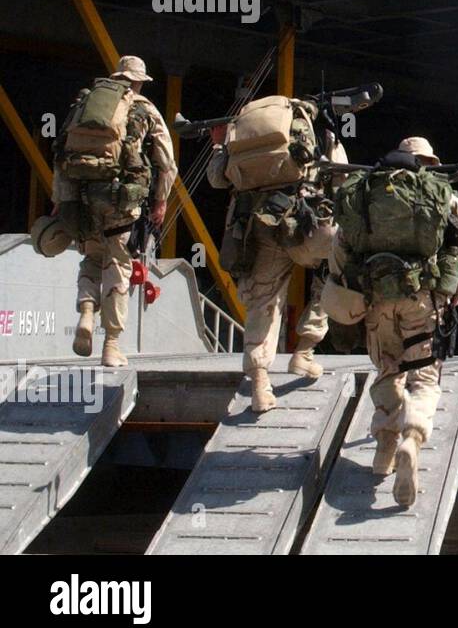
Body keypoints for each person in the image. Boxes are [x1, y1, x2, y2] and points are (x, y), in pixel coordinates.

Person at [330, 136, 458, 507]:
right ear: (427, 162)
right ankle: (412, 439)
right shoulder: (444, 197)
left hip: (376, 302)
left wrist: (346, 291)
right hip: (424, 301)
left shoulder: (365, 194)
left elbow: (339, 249)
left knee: (387, 370)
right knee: (424, 378)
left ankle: (383, 452)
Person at [207, 98, 344, 413]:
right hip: (307, 225)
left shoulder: (242, 134)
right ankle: (305, 351)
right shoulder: (318, 131)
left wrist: (218, 145)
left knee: (264, 301)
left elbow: (217, 179)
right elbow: (341, 179)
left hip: (261, 223)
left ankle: (259, 384)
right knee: (336, 269)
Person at [51, 56, 176, 367]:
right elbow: (166, 162)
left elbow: (60, 152)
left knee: (92, 258)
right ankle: (111, 344)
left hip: (82, 196)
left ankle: (86, 311)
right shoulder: (144, 108)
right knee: (119, 265)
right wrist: (161, 200)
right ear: (137, 81)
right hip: (121, 202)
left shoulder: (86, 102)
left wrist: (60, 199)